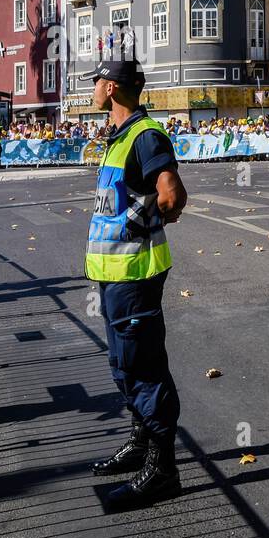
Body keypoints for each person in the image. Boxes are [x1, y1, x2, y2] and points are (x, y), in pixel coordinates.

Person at [82, 56, 188, 509]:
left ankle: (162, 469)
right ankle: (141, 442)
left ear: (111, 88)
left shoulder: (145, 136)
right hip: (114, 275)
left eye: (97, 82)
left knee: (144, 369)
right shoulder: (119, 137)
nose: (93, 89)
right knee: (124, 365)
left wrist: (137, 223)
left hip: (135, 273)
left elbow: (172, 195)